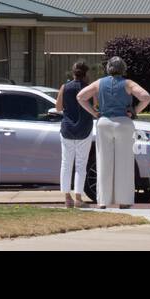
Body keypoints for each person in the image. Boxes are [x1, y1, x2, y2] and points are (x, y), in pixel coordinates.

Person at [77, 56, 150, 208]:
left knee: (103, 161)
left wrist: (94, 113)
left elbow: (81, 97)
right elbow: (146, 97)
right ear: (123, 68)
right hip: (123, 122)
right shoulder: (128, 83)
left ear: (108, 68)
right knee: (125, 162)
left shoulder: (99, 83)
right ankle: (124, 201)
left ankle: (103, 201)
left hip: (104, 123)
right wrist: (134, 111)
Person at [56, 61, 93, 208]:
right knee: (81, 164)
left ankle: (67, 198)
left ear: (73, 73)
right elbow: (95, 106)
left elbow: (58, 107)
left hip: (67, 129)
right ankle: (78, 198)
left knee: (66, 163)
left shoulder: (65, 87)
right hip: (84, 129)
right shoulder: (89, 89)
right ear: (86, 74)